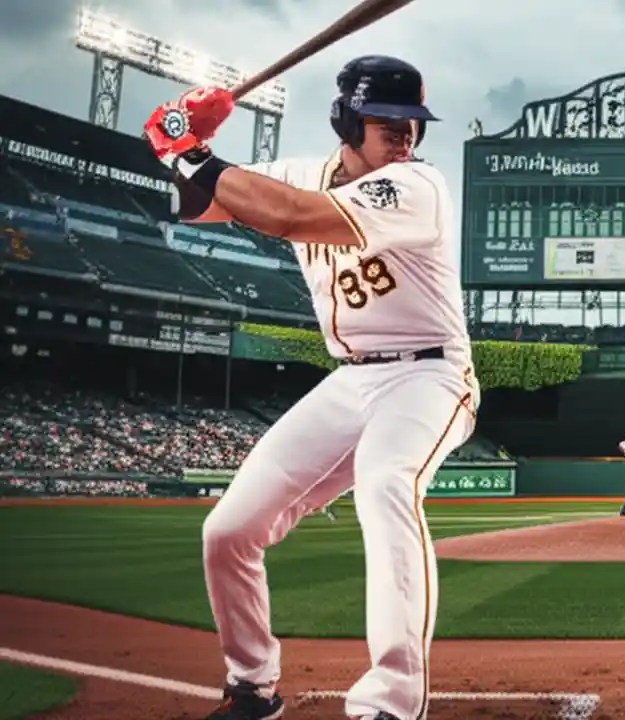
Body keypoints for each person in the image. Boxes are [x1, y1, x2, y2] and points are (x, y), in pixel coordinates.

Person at [144, 56, 479, 720]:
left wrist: (186, 149)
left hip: (429, 375)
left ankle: (392, 701)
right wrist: (181, 140)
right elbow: (200, 205)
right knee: (228, 530)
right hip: (351, 379)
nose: (406, 136)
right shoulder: (302, 171)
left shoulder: (418, 185)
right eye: (389, 123)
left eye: (413, 123)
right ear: (347, 122)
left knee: (386, 484)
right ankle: (252, 686)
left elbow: (292, 216)